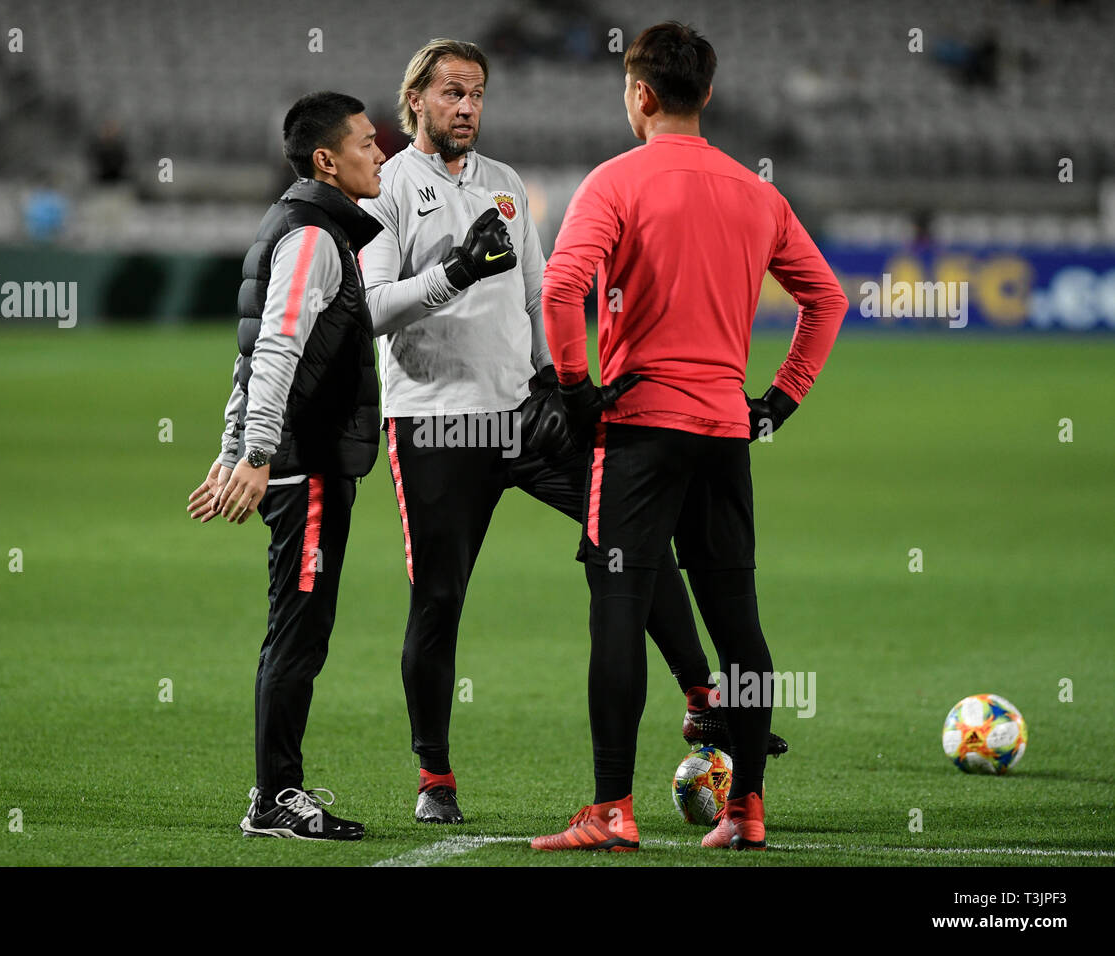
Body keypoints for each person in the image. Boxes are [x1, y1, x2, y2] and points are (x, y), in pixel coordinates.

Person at [359, 38, 769, 826]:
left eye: (477, 93)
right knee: (439, 598)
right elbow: (372, 308)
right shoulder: (385, 192)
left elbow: (541, 291)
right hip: (436, 425)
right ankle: (434, 775)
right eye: (451, 93)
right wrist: (455, 273)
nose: (468, 107)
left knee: (627, 543)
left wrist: (560, 383)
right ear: (416, 100)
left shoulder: (506, 187)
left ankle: (701, 694)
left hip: (530, 416)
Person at [531, 22, 848, 853]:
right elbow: (827, 300)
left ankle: (609, 810)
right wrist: (778, 401)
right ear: (706, 94)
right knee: (738, 622)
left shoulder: (614, 181)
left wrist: (573, 390)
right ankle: (747, 809)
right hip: (724, 431)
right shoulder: (756, 191)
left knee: (619, 607)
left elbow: (562, 285)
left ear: (639, 94)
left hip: (639, 429)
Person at [186, 91, 386, 840]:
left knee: (299, 629)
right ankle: (275, 796)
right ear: (326, 160)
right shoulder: (313, 239)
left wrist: (234, 445)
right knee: (298, 634)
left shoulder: (300, 228)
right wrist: (258, 452)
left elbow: (256, 349)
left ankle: (279, 789)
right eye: (367, 142)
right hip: (303, 470)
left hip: (294, 463)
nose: (382, 152)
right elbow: (275, 352)